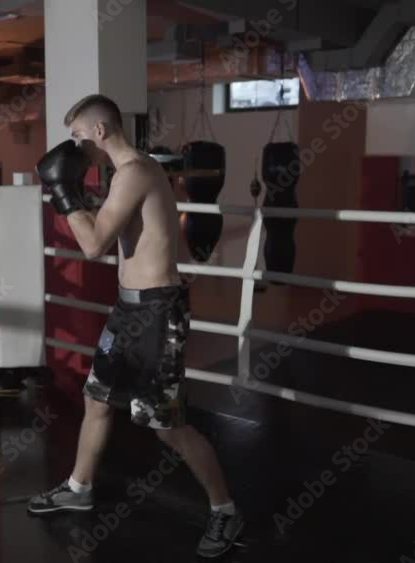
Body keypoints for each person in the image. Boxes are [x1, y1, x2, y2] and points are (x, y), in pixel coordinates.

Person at [28, 95, 243, 558]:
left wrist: (62, 194)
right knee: (97, 400)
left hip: (156, 313)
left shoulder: (134, 174)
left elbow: (92, 245)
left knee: (167, 426)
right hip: (129, 309)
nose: (77, 145)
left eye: (80, 136)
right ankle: (79, 486)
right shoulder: (129, 174)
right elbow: (131, 233)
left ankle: (224, 509)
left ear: (100, 131)